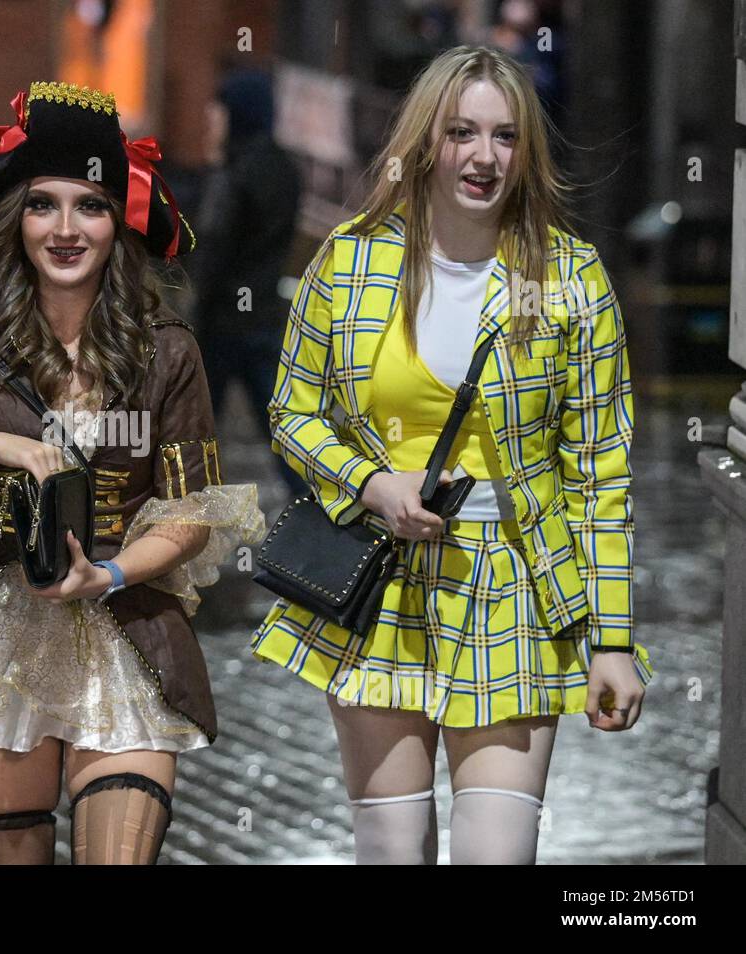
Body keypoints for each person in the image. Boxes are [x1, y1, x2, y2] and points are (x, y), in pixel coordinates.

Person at [0, 81, 266, 865]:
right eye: (43, 205)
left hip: (127, 626)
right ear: (14, 222)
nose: (66, 229)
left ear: (119, 225)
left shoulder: (166, 350)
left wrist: (108, 572)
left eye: (91, 206)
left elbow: (192, 509)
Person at [249, 46, 653, 864]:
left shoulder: (569, 280)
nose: (483, 156)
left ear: (526, 151)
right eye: (462, 131)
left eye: (505, 137)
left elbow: (601, 470)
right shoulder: (353, 260)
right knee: (392, 853)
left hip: (515, 587)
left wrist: (612, 638)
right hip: (381, 588)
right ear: (427, 141)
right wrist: (367, 483)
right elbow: (294, 409)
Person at [189, 68, 304, 498]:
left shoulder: (233, 172)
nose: (211, 121)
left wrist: (197, 307)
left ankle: (174, 520)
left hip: (221, 323)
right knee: (284, 434)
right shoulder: (285, 168)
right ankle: (315, 525)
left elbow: (214, 245)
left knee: (193, 432)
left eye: (219, 112)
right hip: (265, 316)